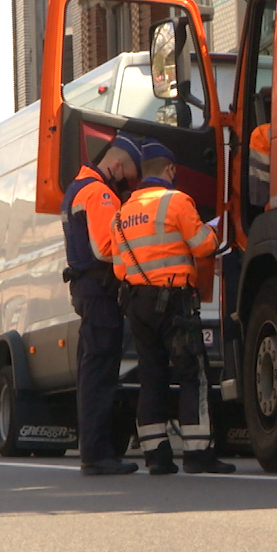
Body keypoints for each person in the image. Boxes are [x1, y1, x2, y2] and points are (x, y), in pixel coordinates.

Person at [111, 139, 234, 475]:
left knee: (151, 376)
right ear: (170, 170)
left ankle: (156, 456)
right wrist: (214, 232)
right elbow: (203, 245)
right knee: (192, 373)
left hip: (137, 303)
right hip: (174, 301)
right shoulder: (176, 202)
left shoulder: (122, 212)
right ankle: (197, 453)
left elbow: (118, 266)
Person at [62, 131, 143, 476]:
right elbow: (105, 249)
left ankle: (93, 450)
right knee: (100, 374)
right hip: (99, 290)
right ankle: (97, 454)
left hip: (86, 290)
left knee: (90, 372)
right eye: (127, 175)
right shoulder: (100, 193)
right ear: (119, 163)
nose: (126, 184)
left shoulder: (76, 189)